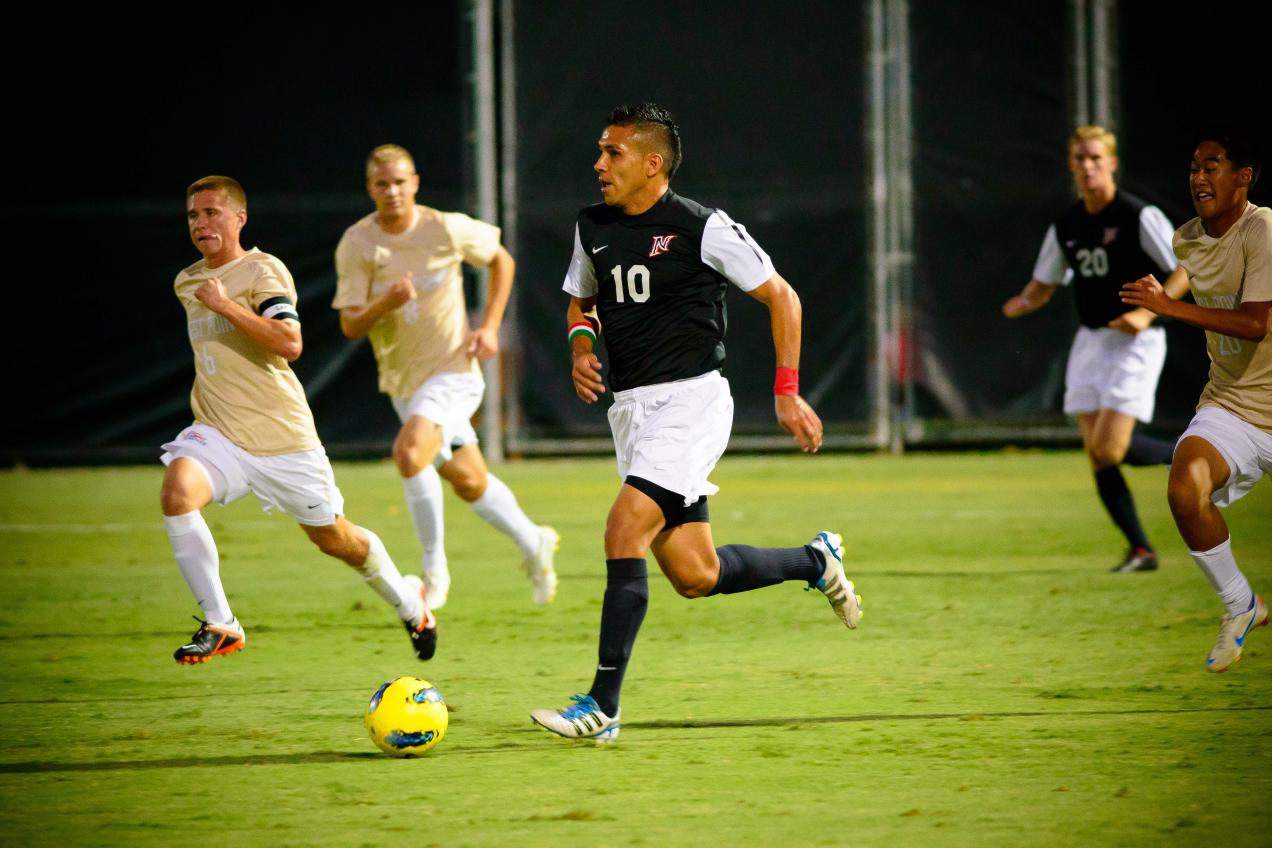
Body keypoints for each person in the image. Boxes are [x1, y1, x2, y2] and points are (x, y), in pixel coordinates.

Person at [529, 103, 862, 744]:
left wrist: (788, 394)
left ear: (653, 164)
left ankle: (602, 707)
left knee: (622, 528)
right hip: (631, 412)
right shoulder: (591, 224)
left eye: (614, 153)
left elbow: (781, 296)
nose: (599, 164)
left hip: (690, 403)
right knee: (694, 573)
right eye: (599, 152)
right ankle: (815, 561)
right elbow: (582, 295)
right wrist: (579, 346)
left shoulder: (701, 227)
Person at [161, 176, 436, 665]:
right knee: (178, 493)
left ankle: (410, 605)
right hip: (219, 432)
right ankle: (222, 622)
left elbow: (290, 343)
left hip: (282, 438)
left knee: (336, 539)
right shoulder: (187, 281)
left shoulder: (263, 271)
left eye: (212, 213)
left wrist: (224, 305)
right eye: (192, 215)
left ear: (239, 217)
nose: (201, 223)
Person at [333, 145, 557, 611]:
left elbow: (501, 260)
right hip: (403, 382)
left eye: (400, 181)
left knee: (409, 453)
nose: (392, 191)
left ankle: (433, 572)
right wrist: (385, 304)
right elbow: (351, 324)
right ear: (370, 189)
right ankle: (534, 541)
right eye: (382, 184)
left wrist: (490, 327)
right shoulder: (358, 243)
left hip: (454, 371)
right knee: (469, 480)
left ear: (415, 183)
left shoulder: (445, 227)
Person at [1003, 125, 1191, 572]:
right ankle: (1141, 550)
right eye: (1080, 160)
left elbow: (1185, 270)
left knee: (1109, 448)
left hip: (1136, 342)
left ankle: (1188, 453)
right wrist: (1025, 300)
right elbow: (1044, 283)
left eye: (1095, 158)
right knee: (1098, 453)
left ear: (1111, 163)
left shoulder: (1136, 215)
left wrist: (1148, 313)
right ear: (1072, 166)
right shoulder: (1067, 224)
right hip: (1091, 342)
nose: (1087, 167)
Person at [1121, 131, 1271, 672]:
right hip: (1232, 402)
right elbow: (1188, 276)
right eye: (1193, 168)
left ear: (1243, 177)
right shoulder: (1187, 238)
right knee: (1185, 488)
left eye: (1213, 167)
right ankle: (1240, 605)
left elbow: (1257, 324)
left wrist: (1167, 307)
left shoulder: (1263, 228)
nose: (1199, 177)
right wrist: (1153, 300)